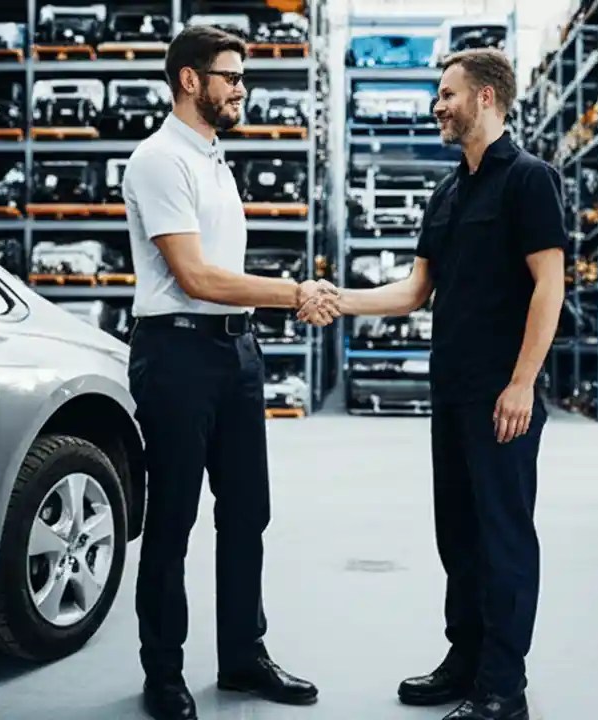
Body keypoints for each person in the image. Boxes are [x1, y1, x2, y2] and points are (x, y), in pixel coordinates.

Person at [310, 48, 566, 719]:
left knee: (504, 538)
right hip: (450, 392)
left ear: (486, 97)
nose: (437, 105)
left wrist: (522, 383)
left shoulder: (530, 180)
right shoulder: (449, 191)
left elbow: (550, 284)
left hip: (501, 396)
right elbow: (415, 289)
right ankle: (466, 660)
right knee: (458, 536)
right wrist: (341, 300)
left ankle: (503, 690)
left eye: (447, 94)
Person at [121, 25, 337, 720]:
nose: (242, 88)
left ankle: (243, 655)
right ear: (190, 79)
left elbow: (221, 279)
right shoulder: (160, 160)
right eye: (231, 76)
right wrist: (293, 292)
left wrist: (263, 314)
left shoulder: (215, 160)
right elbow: (194, 275)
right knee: (174, 518)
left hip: (235, 354)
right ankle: (164, 673)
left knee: (247, 512)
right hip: (177, 354)